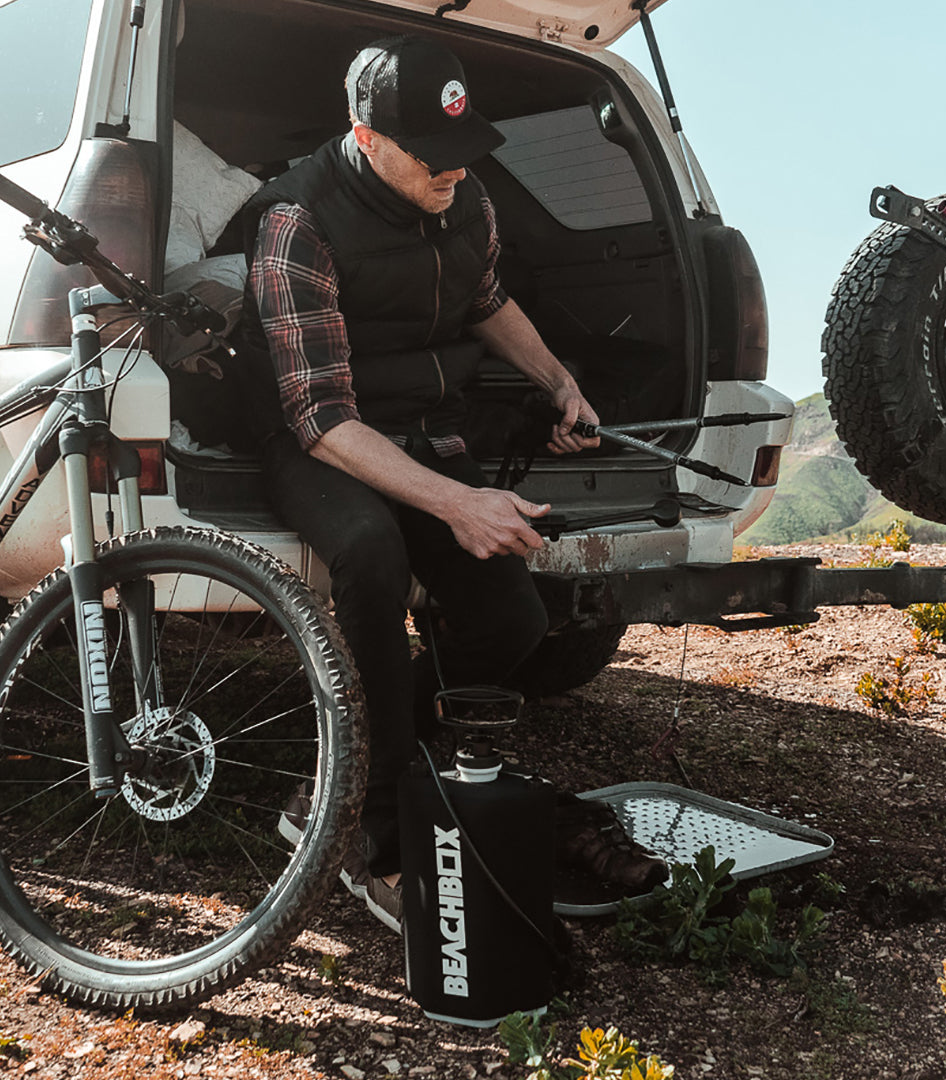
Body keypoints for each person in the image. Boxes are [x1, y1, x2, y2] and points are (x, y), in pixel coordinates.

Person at [241, 35, 665, 932]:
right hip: (320, 437)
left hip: (422, 427)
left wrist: (558, 381)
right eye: (430, 159)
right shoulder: (295, 221)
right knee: (369, 549)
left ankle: (356, 752)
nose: (452, 175)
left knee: (514, 617)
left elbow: (484, 301)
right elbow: (319, 417)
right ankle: (375, 837)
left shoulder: (464, 194)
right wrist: (457, 501)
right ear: (366, 136)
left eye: (463, 154)